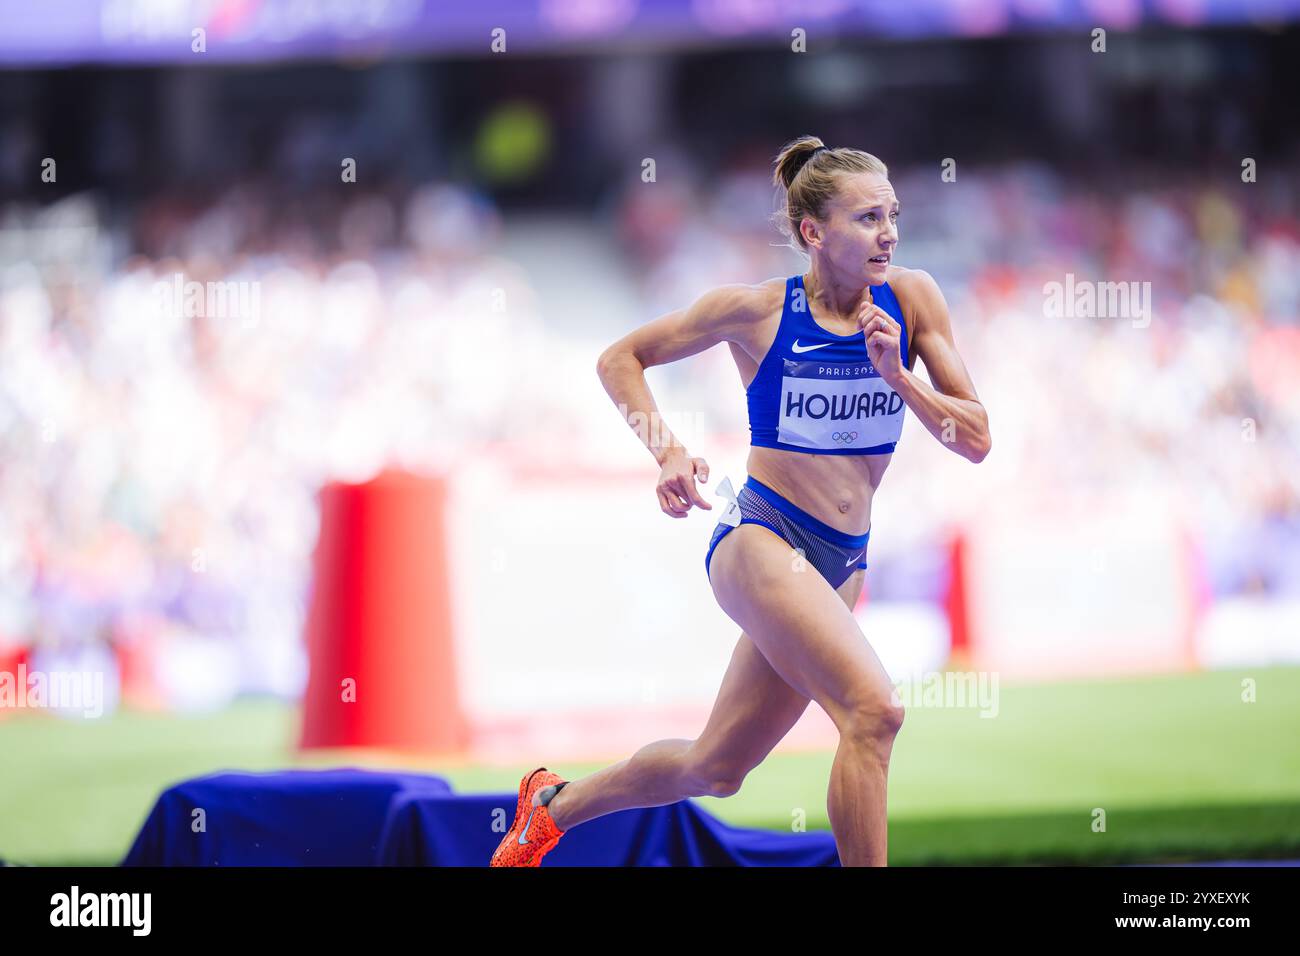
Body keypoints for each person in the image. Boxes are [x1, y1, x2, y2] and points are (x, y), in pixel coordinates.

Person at [490, 135, 990, 867]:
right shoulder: (756, 312)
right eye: (868, 218)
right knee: (874, 712)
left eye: (893, 215)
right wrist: (665, 448)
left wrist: (901, 377)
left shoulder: (912, 300)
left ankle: (551, 807)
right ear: (813, 232)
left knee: (716, 768)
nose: (888, 233)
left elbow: (975, 438)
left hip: (842, 562)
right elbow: (618, 358)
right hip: (761, 537)